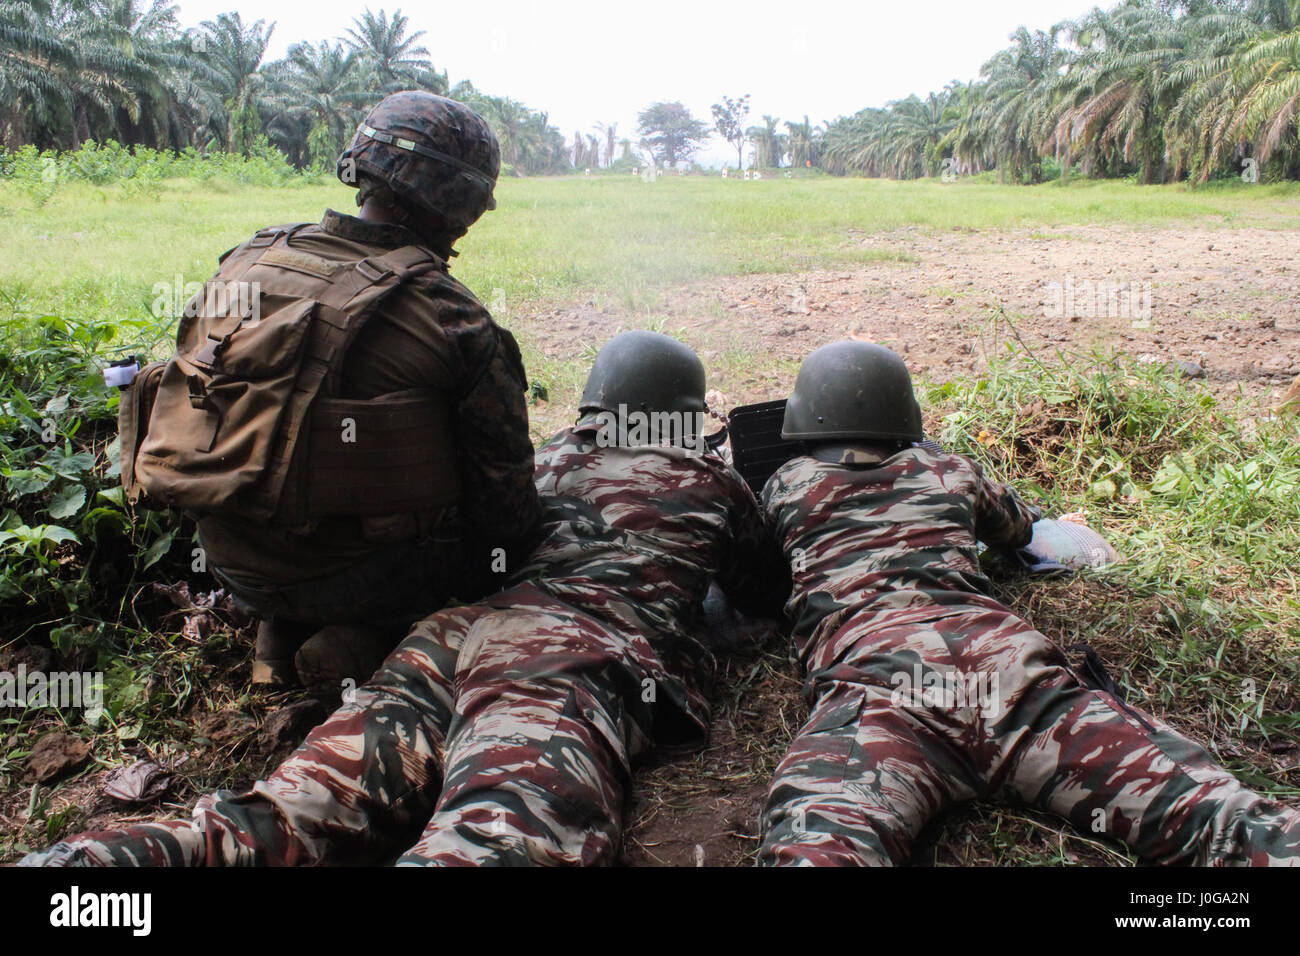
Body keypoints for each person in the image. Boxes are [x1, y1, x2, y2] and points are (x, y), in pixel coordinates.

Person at [22, 331, 787, 867]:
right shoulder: (710, 480)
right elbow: (763, 587)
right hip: (565, 658)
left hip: (450, 637)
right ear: (684, 417)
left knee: (289, 814)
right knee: (504, 839)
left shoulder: (545, 460)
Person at [757, 340, 1300, 866]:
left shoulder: (785, 484)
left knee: (818, 850)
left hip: (883, 693)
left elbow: (754, 581)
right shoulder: (951, 471)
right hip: (1013, 676)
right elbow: (1018, 528)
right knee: (1218, 818)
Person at [119, 91, 541, 687]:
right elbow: (505, 507)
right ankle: (371, 638)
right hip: (370, 576)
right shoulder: (454, 315)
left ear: (360, 167)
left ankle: (279, 628)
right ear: (461, 202)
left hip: (230, 559)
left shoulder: (246, 259)